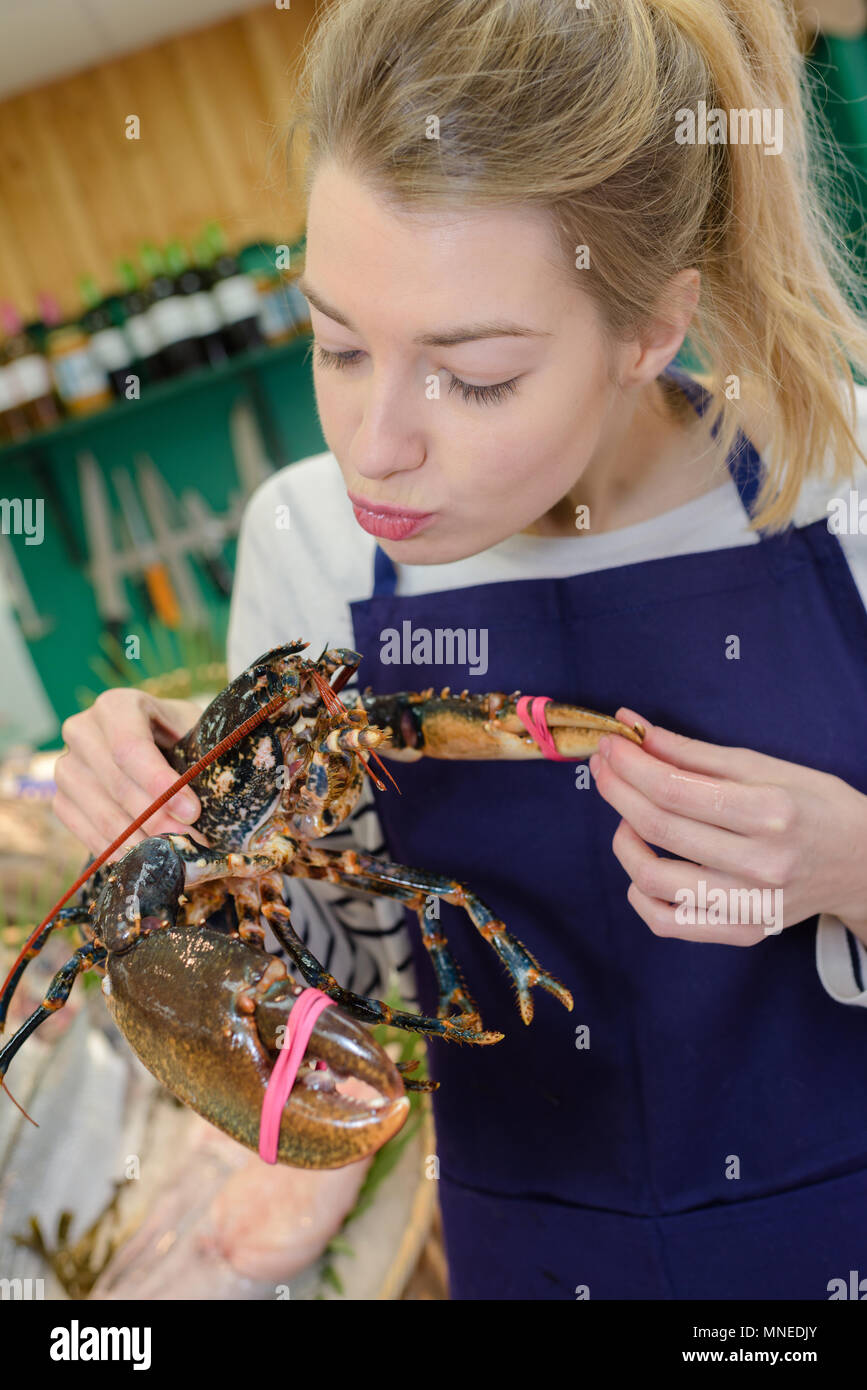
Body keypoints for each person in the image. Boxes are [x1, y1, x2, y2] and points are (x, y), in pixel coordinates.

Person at [55, 0, 867, 1300]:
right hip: (527, 1256)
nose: (374, 446)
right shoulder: (311, 543)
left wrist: (854, 865)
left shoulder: (847, 487)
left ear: (650, 329)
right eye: (336, 343)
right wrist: (172, 824)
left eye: (475, 374)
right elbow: (328, 959)